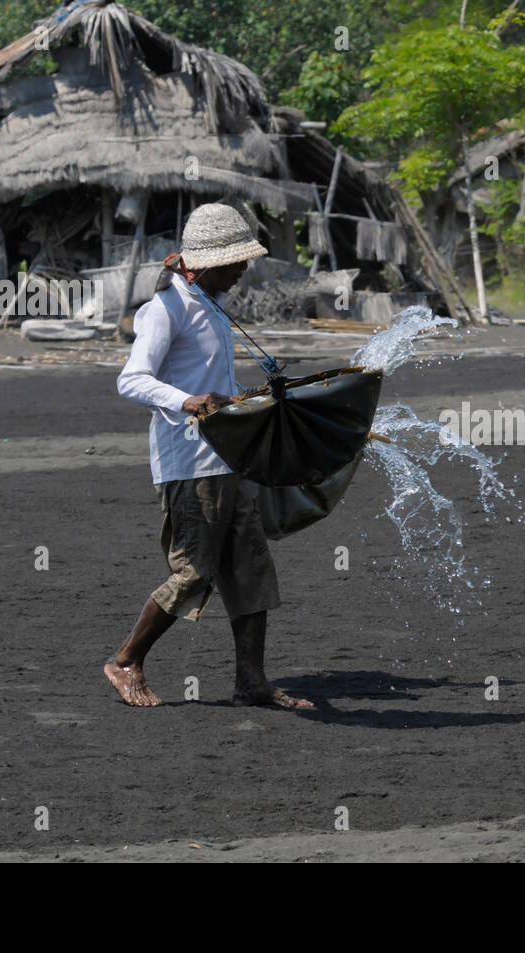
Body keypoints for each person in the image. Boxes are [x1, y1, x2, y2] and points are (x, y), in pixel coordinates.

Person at [104, 202, 314, 711]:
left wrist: (250, 398)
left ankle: (252, 683)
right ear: (205, 261)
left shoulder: (212, 305)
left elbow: (214, 385)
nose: (243, 270)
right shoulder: (165, 309)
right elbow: (131, 380)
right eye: (236, 262)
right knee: (195, 571)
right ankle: (127, 660)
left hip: (228, 459)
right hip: (189, 464)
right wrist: (187, 401)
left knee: (250, 568)